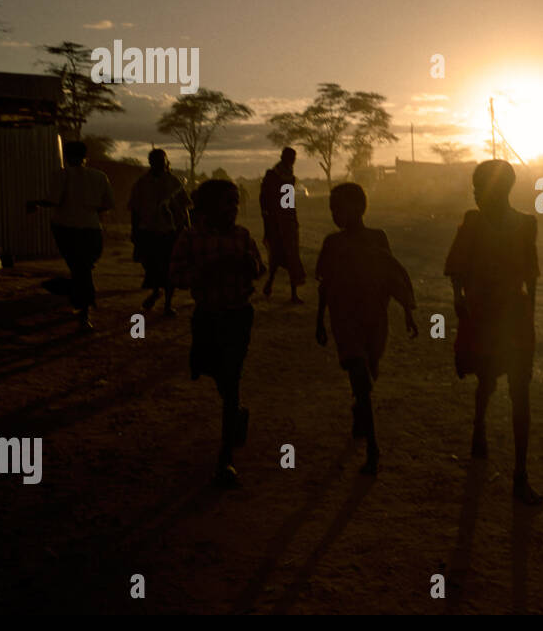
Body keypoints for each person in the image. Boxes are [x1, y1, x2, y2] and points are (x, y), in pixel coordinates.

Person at [444, 160, 542, 505]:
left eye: (479, 187)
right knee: (487, 381)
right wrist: (459, 298)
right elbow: (456, 268)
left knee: (520, 394)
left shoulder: (525, 224)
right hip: (484, 315)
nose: (475, 194)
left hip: (513, 318)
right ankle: (480, 426)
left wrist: (529, 316)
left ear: (500, 190)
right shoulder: (472, 223)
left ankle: (520, 473)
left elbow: (531, 276)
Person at [315, 183, 419, 475]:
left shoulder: (377, 238)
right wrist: (320, 320)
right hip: (344, 319)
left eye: (339, 208)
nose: (335, 215)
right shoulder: (332, 244)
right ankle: (373, 449)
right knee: (361, 376)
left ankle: (360, 410)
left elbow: (393, 275)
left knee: (368, 372)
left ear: (359, 209)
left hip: (375, 319)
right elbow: (326, 284)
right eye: (332, 209)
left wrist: (408, 312)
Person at [169, 180, 265, 487]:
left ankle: (225, 460)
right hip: (207, 315)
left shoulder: (242, 236)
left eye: (235, 203)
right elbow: (175, 275)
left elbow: (259, 269)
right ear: (208, 207)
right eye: (227, 203)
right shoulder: (191, 238)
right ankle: (235, 410)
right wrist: (207, 272)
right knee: (210, 370)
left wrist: (248, 264)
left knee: (232, 377)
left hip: (238, 314)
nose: (233, 209)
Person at [27, 140, 115, 332]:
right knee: (84, 269)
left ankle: (80, 308)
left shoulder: (61, 175)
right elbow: (108, 203)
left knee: (79, 269)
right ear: (86, 157)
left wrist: (35, 203)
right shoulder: (100, 176)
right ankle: (82, 309)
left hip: (66, 228)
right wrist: (89, 210)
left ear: (66, 157)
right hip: (92, 229)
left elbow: (53, 200)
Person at [128, 148, 190, 315]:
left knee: (170, 267)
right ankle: (156, 291)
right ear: (150, 162)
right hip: (148, 230)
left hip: (170, 232)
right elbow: (135, 208)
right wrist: (134, 231)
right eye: (156, 160)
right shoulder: (142, 184)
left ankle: (168, 304)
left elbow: (185, 208)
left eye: (162, 161)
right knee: (151, 266)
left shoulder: (174, 182)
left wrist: (187, 230)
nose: (160, 164)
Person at [259, 147, 305, 303]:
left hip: (287, 222)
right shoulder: (272, 176)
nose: (293, 160)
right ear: (284, 157)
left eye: (294, 158)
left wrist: (292, 219)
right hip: (275, 222)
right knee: (278, 255)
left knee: (291, 256)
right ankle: (272, 285)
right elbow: (264, 199)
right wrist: (268, 220)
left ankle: (290, 292)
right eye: (291, 157)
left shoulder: (289, 177)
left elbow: (289, 202)